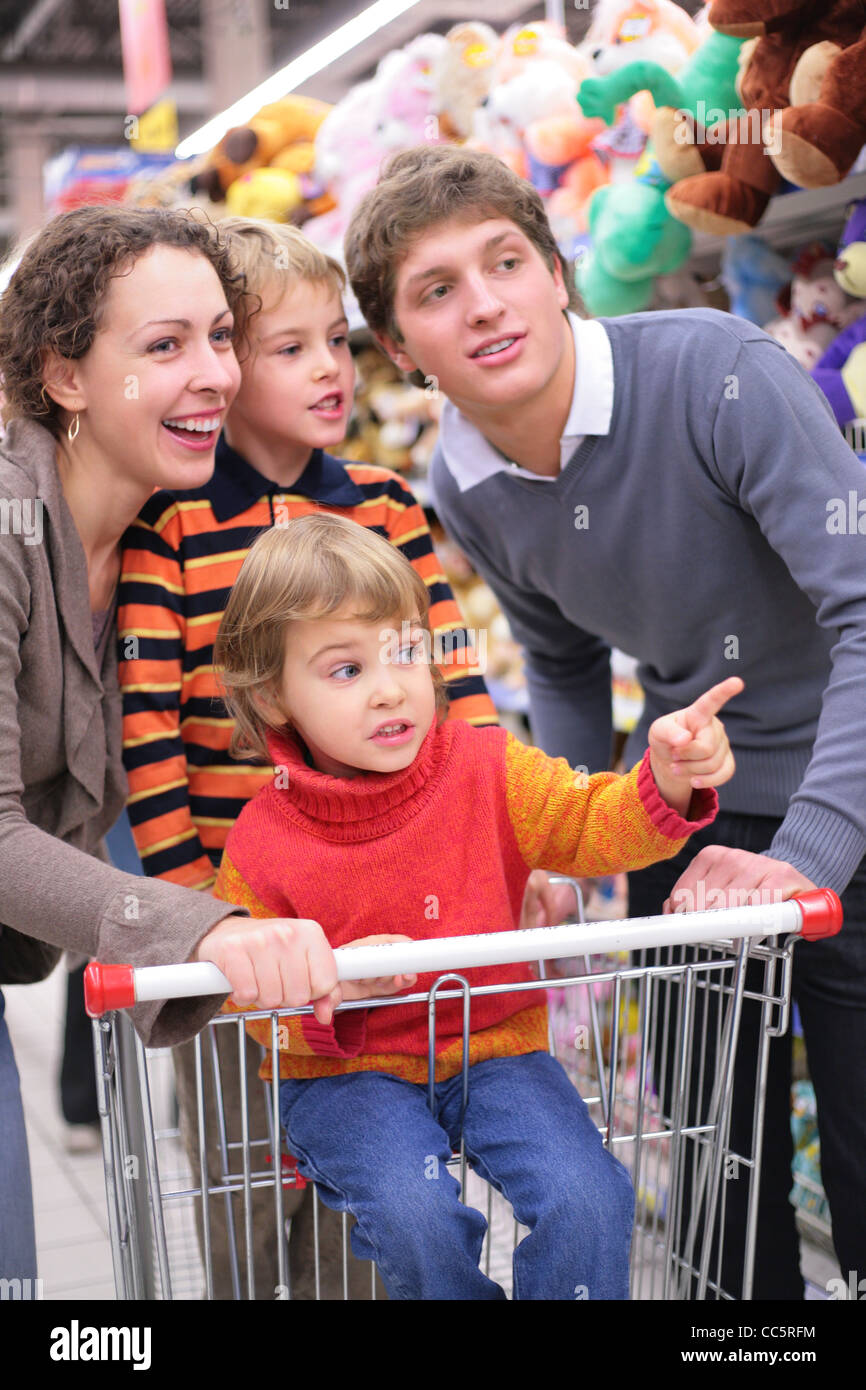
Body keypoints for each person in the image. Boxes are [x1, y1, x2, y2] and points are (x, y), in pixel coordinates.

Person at [343, 143, 866, 1299]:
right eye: (435, 290)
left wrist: (806, 858)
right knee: (717, 1170)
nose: (483, 305)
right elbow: (566, 661)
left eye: (504, 261)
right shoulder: (461, 484)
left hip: (848, 779)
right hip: (687, 796)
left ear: (555, 271)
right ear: (395, 349)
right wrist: (559, 844)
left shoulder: (714, 374)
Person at [210, 510, 741, 1300]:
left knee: (589, 1195)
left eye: (405, 651)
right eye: (345, 670)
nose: (391, 687)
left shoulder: (485, 767)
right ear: (274, 698)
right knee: (412, 1213)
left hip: (497, 1049)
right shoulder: (260, 842)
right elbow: (252, 1002)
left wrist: (665, 780)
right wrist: (330, 992)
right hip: (345, 1073)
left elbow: (590, 822)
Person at [116, 215, 498, 1297]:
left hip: (378, 923)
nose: (332, 369)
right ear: (227, 368)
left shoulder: (383, 506)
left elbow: (452, 683)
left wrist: (498, 839)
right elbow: (148, 737)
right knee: (242, 1194)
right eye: (290, 348)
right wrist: (195, 918)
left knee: (367, 1202)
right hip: (232, 939)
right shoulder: (172, 530)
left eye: (339, 341)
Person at [0, 206, 344, 1283]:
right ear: (65, 377)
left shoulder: (152, 525)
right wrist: (201, 929)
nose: (216, 374)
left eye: (220, 337)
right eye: (164, 346)